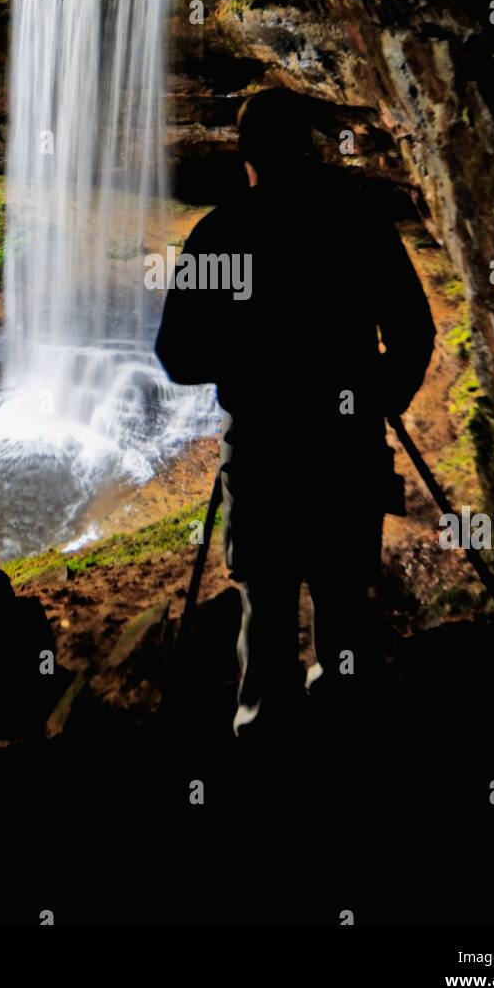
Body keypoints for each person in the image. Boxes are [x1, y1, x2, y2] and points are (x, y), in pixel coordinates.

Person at [155, 88, 435, 736]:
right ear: (308, 146)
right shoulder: (360, 221)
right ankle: (351, 730)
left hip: (262, 451)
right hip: (347, 448)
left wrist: (247, 365)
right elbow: (414, 333)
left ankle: (265, 736)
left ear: (244, 153)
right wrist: (376, 397)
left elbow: (175, 355)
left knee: (267, 606)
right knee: (344, 604)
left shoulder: (220, 233)